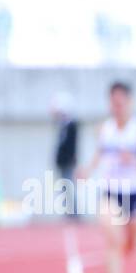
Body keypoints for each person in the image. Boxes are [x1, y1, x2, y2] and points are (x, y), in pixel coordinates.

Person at [76, 81, 136, 273]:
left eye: (121, 102)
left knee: (130, 245)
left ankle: (124, 256)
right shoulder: (104, 128)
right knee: (113, 241)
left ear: (129, 102)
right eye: (113, 102)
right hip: (110, 192)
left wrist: (135, 160)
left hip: (134, 194)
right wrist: (87, 170)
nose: (117, 106)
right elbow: (99, 154)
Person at [51, 91, 78, 220]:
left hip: (67, 162)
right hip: (62, 162)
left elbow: (71, 146)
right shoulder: (62, 125)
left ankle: (73, 213)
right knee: (64, 187)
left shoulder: (71, 125)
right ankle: (69, 212)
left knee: (68, 187)